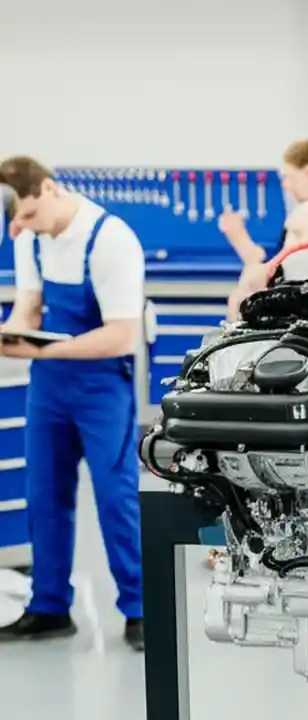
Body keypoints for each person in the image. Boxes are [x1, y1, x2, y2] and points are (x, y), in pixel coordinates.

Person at [0, 156, 146, 651]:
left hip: (102, 384)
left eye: (27, 216)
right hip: (49, 388)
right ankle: (48, 607)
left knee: (116, 497)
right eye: (13, 220)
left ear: (48, 189)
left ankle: (140, 609)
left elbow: (122, 335)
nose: (19, 228)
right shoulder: (29, 235)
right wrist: (13, 333)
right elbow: (30, 305)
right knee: (44, 496)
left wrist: (48, 347)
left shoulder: (111, 239)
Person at [219, 139, 308, 318]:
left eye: (288, 177)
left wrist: (243, 246)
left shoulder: (306, 214)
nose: (284, 185)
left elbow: (292, 278)